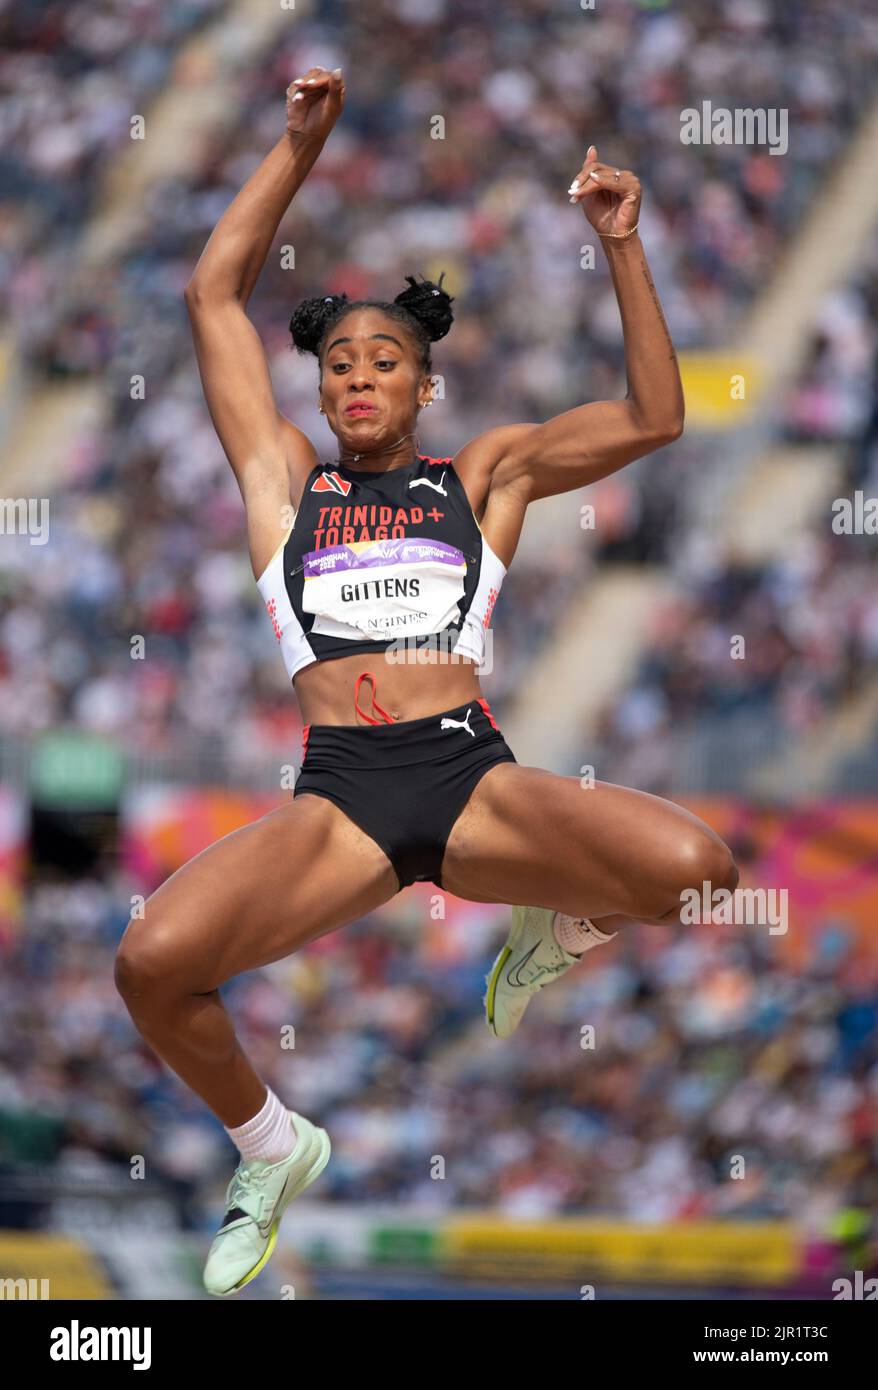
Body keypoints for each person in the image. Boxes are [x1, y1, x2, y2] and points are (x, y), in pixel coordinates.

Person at [113, 66, 738, 1296]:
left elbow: (656, 417)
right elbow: (209, 292)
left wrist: (623, 245)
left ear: (423, 385)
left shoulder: (485, 477)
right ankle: (271, 1147)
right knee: (152, 965)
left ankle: (558, 921)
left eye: (383, 360)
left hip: (467, 775)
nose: (355, 376)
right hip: (340, 796)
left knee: (702, 876)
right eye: (338, 360)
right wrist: (300, 145)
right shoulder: (283, 483)